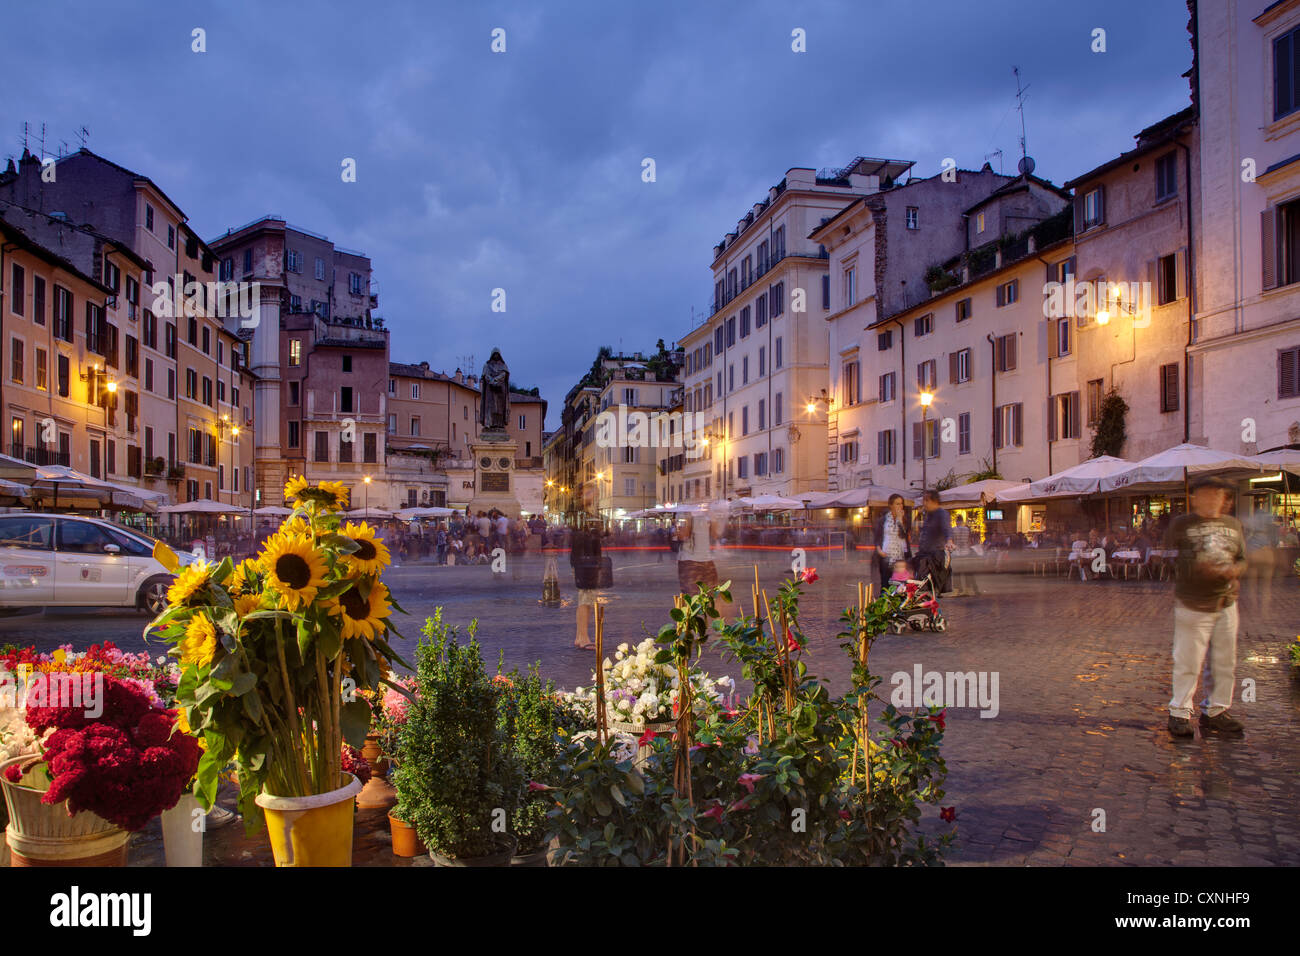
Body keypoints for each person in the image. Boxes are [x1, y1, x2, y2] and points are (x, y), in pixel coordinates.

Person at [1163, 476, 1248, 738]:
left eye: (1218, 495)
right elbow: (1170, 557)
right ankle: (1179, 713)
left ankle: (1216, 711)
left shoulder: (1233, 525)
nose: (1213, 499)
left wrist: (1235, 570)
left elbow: (1242, 559)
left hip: (1226, 601)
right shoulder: (1182, 525)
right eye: (1207, 494)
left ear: (1224, 500)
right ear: (1195, 498)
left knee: (1224, 660)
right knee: (1188, 659)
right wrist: (1196, 569)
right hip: (1193, 602)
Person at [570, 518, 603, 649]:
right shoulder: (588, 536)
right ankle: (583, 638)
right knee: (586, 602)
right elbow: (594, 553)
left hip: (581, 568)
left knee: (582, 601)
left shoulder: (578, 534)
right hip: (588, 569)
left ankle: (580, 636)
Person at [872, 494, 912, 595]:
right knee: (886, 584)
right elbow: (877, 537)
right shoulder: (883, 520)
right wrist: (879, 550)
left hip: (900, 558)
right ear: (891, 505)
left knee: (900, 585)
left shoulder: (905, 519)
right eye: (897, 504)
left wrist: (900, 520)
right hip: (886, 556)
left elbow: (904, 535)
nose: (900, 506)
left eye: (901, 504)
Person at [914, 490, 952, 593]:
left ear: (934, 501)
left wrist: (949, 541)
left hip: (934, 557)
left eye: (926, 500)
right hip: (925, 555)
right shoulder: (928, 515)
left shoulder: (942, 513)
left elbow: (947, 529)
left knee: (930, 588)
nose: (924, 503)